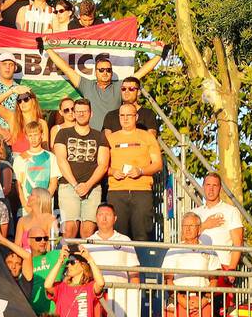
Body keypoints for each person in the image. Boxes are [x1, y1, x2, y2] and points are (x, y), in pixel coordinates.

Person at [39, 39, 167, 129]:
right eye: (101, 70)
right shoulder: (87, 85)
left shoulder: (120, 86)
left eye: (108, 70)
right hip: (92, 136)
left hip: (113, 135)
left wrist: (159, 55)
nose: (105, 72)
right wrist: (48, 48)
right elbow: (66, 69)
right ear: (96, 72)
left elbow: (141, 72)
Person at [53, 98, 110, 240]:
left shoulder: (100, 136)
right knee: (69, 229)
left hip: (93, 188)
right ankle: (67, 261)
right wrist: (75, 184)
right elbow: (61, 160)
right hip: (68, 186)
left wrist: (88, 185)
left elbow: (103, 165)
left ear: (91, 114)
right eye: (77, 111)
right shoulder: (63, 134)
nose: (81, 114)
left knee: (88, 231)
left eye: (84, 111)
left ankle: (85, 261)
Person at [105, 103, 161, 241]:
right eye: (122, 115)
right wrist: (113, 172)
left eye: (129, 115)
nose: (125, 119)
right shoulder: (110, 139)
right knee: (117, 236)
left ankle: (142, 261)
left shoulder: (147, 137)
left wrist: (141, 171)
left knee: (142, 234)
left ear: (136, 117)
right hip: (117, 191)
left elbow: (158, 164)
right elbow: (101, 166)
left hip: (141, 191)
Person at [44, 244, 106, 317]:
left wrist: (90, 259)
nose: (68, 265)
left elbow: (101, 283)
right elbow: (47, 285)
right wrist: (60, 261)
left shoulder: (89, 287)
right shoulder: (62, 287)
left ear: (83, 266)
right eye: (68, 262)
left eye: (72, 262)